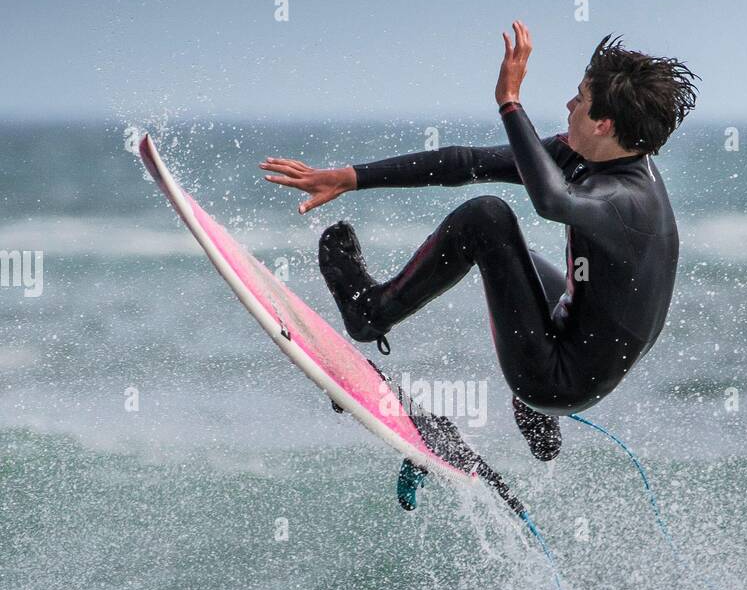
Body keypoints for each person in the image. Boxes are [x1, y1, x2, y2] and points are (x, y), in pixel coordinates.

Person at [259, 23, 698, 461]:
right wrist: (351, 177)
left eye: (580, 99)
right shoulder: (601, 157)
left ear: (603, 124)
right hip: (583, 333)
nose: (569, 104)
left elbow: (550, 200)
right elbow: (467, 163)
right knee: (516, 253)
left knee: (486, 218)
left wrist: (510, 103)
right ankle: (534, 416)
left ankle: (370, 312)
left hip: (559, 379)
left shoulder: (624, 201)